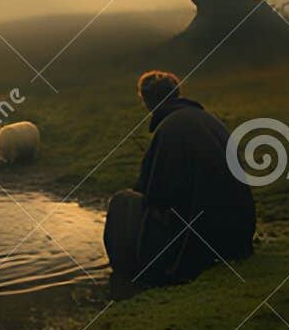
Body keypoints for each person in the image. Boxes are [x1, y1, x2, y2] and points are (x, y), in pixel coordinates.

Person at [104, 70, 256, 291]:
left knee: (122, 202)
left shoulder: (169, 129)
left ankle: (128, 271)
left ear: (148, 101)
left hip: (204, 235)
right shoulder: (208, 119)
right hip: (237, 232)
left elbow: (157, 195)